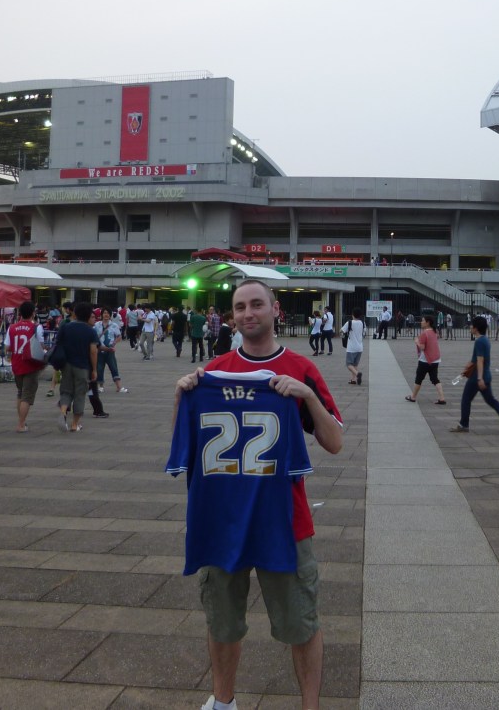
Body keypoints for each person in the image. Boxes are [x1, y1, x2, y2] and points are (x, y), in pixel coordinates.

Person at [170, 279, 343, 710]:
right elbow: (182, 440)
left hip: (284, 521)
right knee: (222, 622)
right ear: (233, 315)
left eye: (256, 305)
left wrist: (305, 396)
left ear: (274, 309)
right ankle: (224, 701)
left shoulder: (301, 368)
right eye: (240, 307)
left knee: (301, 624)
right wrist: (182, 394)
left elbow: (335, 441)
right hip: (221, 521)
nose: (248, 313)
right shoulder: (213, 371)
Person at [450, 316, 499, 435]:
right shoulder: (485, 339)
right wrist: (467, 366)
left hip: (477, 378)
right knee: (491, 400)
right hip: (486, 376)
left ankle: (464, 425)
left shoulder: (479, 341)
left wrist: (479, 378)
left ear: (476, 328)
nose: (470, 327)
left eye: (471, 325)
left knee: (466, 400)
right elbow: (476, 359)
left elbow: (480, 360)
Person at [57, 302, 100, 432]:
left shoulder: (66, 327)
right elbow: (93, 351)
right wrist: (94, 369)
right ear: (88, 315)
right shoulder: (90, 331)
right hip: (82, 366)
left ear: (75, 313)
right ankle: (75, 424)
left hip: (66, 364)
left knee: (66, 391)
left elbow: (58, 344)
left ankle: (63, 411)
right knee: (80, 394)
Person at [5, 301, 46, 433]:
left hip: (16, 364)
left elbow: (7, 347)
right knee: (27, 396)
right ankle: (21, 424)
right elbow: (41, 346)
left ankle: (21, 420)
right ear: (33, 313)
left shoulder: (11, 327)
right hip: (30, 364)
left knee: (20, 393)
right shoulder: (36, 327)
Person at [406, 314, 446, 405]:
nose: (421, 322)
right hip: (435, 359)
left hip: (425, 360)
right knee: (435, 379)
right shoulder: (435, 332)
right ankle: (442, 398)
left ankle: (413, 397)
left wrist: (417, 341)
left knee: (419, 379)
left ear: (427, 323)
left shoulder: (424, 334)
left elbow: (422, 348)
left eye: (423, 321)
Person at [94, 308, 129, 393]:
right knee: (99, 368)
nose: (106, 315)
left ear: (110, 315)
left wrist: (114, 343)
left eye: (108, 313)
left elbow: (119, 336)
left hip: (110, 350)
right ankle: (100, 386)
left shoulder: (114, 325)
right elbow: (93, 336)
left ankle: (119, 386)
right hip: (100, 349)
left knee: (113, 367)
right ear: (101, 315)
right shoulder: (96, 325)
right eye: (104, 313)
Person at [342, 307, 366, 385]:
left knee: (349, 364)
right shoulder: (363, 323)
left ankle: (357, 374)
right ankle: (353, 380)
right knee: (355, 364)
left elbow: (341, 331)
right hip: (360, 347)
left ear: (352, 315)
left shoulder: (349, 323)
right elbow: (364, 333)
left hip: (351, 347)